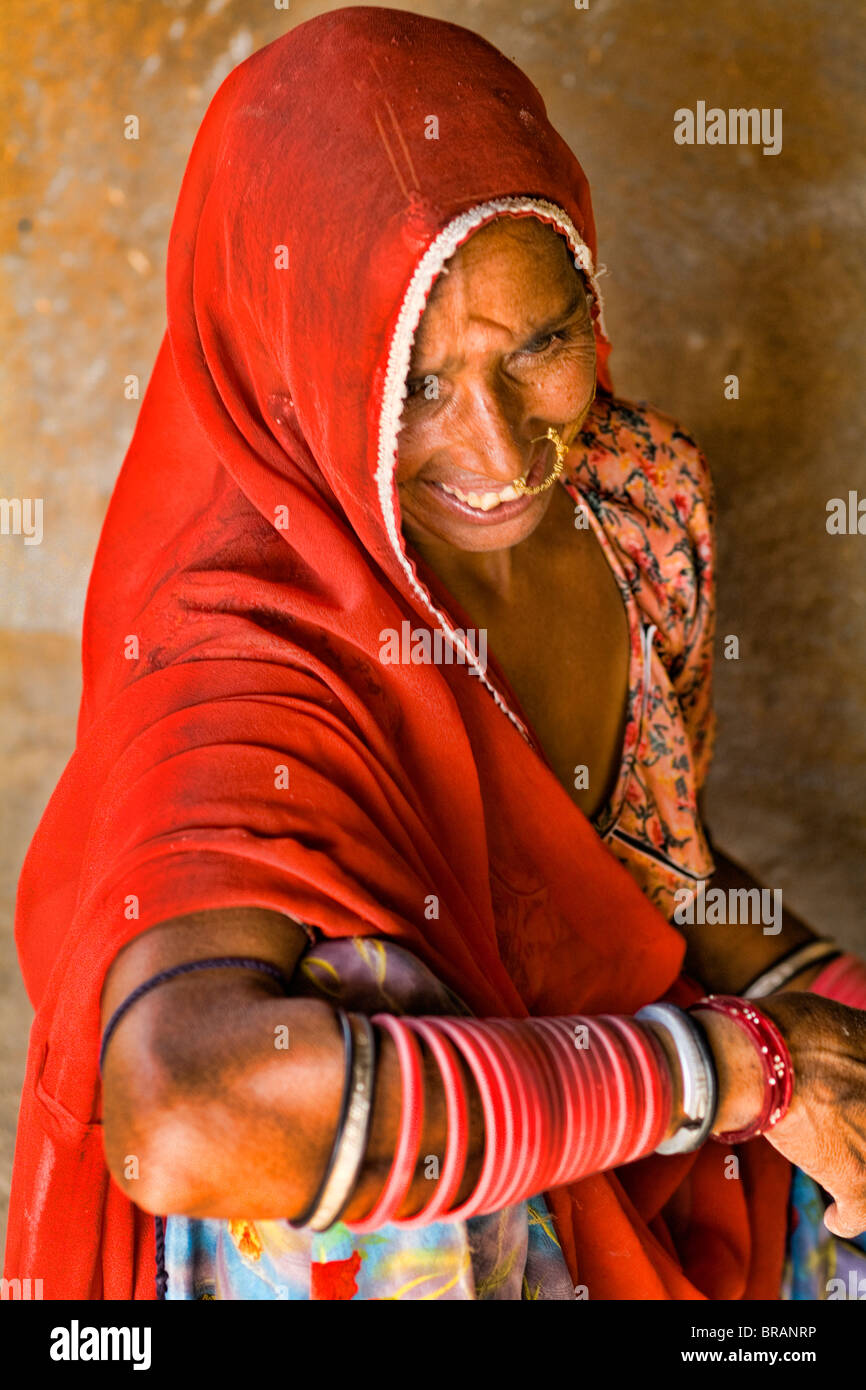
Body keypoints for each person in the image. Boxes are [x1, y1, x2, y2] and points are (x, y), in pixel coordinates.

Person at [5, 7, 866, 1302]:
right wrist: (746, 1066)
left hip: (627, 1118)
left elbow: (653, 870)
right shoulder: (238, 645)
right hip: (472, 1205)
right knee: (356, 1032)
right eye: (410, 386)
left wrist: (835, 1020)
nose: (502, 448)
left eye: (541, 345)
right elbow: (184, 1109)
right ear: (298, 364)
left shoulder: (634, 500)